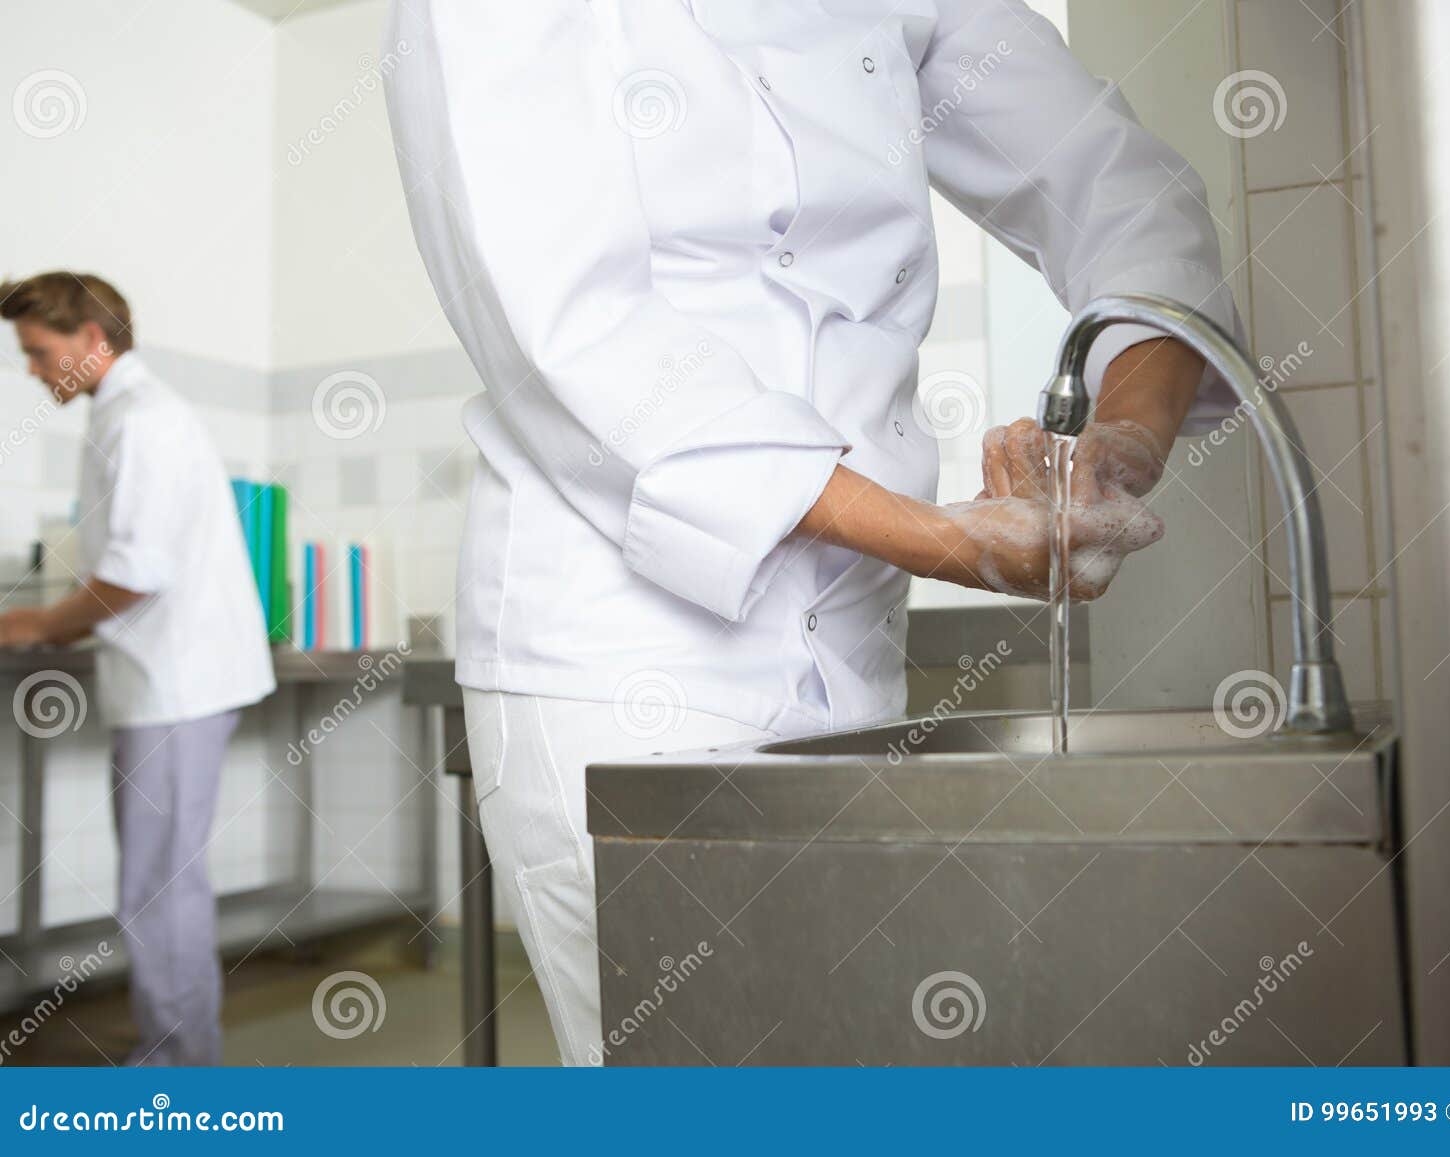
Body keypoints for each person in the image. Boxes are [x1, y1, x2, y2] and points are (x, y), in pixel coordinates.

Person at [384, 1, 1242, 1065]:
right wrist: (938, 537)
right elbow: (572, 330)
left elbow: (1120, 190)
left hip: (853, 652)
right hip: (624, 658)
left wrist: (1117, 444)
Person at [0, 272, 276, 1066]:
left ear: (93, 339)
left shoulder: (147, 420)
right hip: (164, 681)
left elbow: (135, 571)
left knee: (160, 885)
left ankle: (181, 1067)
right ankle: (178, 1049)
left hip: (180, 683)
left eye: (39, 352)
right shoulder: (121, 415)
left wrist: (39, 624)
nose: (31, 370)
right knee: (160, 880)